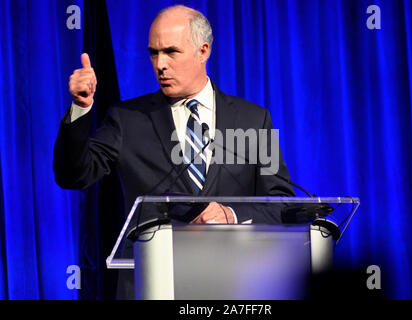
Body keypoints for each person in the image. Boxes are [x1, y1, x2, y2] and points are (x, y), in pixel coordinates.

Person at [53, 5, 295, 298]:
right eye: (154, 53)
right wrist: (81, 108)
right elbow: (73, 175)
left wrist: (230, 214)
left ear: (203, 50)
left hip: (234, 284)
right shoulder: (127, 119)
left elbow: (281, 202)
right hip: (152, 284)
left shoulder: (253, 120)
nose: (160, 64)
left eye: (171, 52)